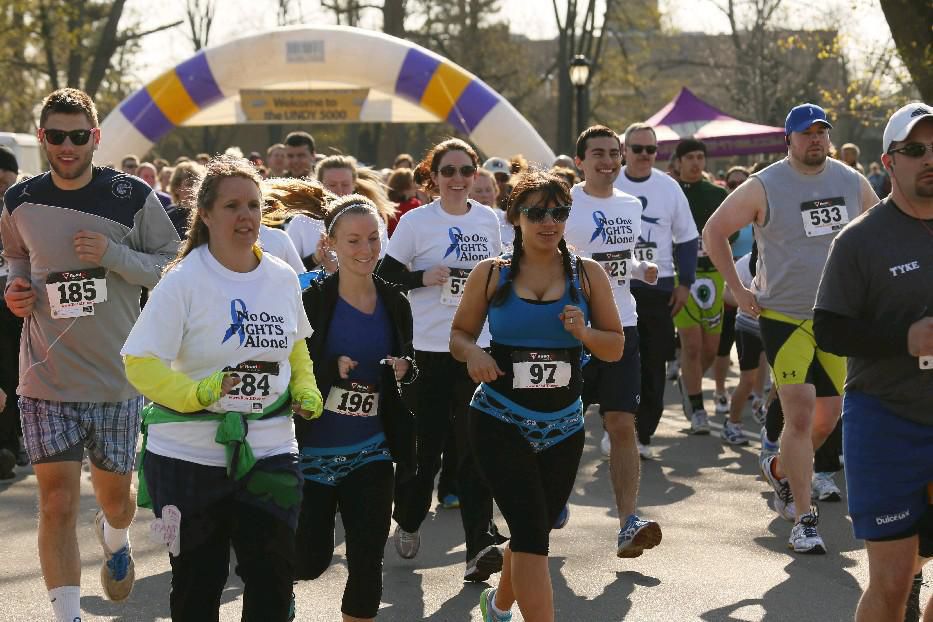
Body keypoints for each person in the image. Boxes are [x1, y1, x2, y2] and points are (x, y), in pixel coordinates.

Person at [0, 87, 179, 622]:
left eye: (79, 135)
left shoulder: (131, 196)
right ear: (42, 138)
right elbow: (16, 256)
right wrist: (16, 289)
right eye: (57, 135)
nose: (68, 145)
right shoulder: (20, 200)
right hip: (46, 375)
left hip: (115, 378)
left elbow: (171, 266)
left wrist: (113, 255)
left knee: (117, 501)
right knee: (56, 501)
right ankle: (68, 615)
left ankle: (115, 536)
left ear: (96, 137)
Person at [121, 155, 323, 622]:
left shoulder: (281, 276)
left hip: (270, 448)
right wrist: (198, 394)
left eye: (253, 205)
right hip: (188, 457)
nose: (245, 216)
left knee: (273, 580)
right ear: (206, 214)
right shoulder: (183, 280)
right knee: (199, 584)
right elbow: (140, 363)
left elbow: (295, 348)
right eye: (232, 206)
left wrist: (306, 389)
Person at [703, 102, 879, 554]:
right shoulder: (765, 185)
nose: (815, 139)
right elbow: (714, 231)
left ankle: (780, 469)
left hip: (835, 316)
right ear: (789, 140)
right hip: (783, 315)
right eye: (806, 133)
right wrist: (738, 289)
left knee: (827, 418)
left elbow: (879, 232)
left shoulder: (851, 181)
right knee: (799, 413)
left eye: (821, 132)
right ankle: (804, 519)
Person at [450, 170, 624, 622]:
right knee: (531, 533)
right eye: (537, 213)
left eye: (559, 213)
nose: (549, 223)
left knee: (534, 531)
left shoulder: (587, 275)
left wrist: (584, 333)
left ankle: (497, 606)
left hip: (563, 425)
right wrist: (474, 354)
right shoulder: (492, 273)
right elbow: (460, 335)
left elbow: (615, 347)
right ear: (515, 217)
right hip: (499, 418)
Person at [813, 102, 933, 621]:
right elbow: (829, 329)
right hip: (887, 422)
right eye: (916, 149)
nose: (930, 159)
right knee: (892, 583)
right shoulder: (860, 239)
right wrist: (904, 338)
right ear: (889, 162)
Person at [377, 138, 506, 582]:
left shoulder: (488, 219)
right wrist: (422, 277)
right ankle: (410, 518)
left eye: (465, 171)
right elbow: (384, 277)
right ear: (433, 177)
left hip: (474, 348)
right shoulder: (417, 221)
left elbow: (498, 277)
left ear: (475, 175)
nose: (457, 179)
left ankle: (479, 546)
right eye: (448, 171)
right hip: (428, 351)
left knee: (474, 450)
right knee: (425, 451)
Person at [294, 194, 417, 622]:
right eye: (353, 241)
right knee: (309, 561)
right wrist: (330, 368)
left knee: (367, 562)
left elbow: (410, 364)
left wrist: (405, 368)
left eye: (373, 239)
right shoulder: (313, 302)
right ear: (330, 244)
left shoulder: (395, 302)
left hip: (371, 450)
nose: (366, 250)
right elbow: (291, 366)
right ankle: (273, 580)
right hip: (312, 454)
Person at [565, 125, 662, 557]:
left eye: (613, 153)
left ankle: (627, 523)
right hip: (571, 329)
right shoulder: (565, 204)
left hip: (622, 324)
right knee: (564, 425)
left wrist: (639, 268)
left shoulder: (630, 204)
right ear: (580, 161)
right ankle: (551, 502)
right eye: (598, 154)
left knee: (622, 423)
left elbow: (618, 257)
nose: (607, 161)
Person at [613, 122, 699, 457]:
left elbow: (687, 237)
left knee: (653, 362)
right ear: (625, 150)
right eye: (638, 149)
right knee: (616, 361)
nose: (645, 155)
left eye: (651, 149)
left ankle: (643, 433)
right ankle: (616, 426)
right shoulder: (609, 183)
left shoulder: (668, 187)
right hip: (614, 286)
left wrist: (685, 283)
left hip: (657, 287)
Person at [670, 138, 731, 433]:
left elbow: (732, 230)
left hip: (714, 275)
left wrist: (714, 241)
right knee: (691, 346)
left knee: (711, 349)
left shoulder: (717, 194)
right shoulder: (670, 193)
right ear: (678, 162)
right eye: (689, 158)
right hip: (682, 276)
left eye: (699, 157)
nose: (695, 163)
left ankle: (688, 381)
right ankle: (697, 410)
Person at [386, 167, 422, 236]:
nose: (416, 186)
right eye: (413, 182)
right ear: (404, 186)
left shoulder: (416, 204)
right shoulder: (415, 206)